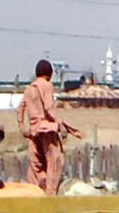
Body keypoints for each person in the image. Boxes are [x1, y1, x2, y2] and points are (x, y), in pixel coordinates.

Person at [21, 59, 82, 194]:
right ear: (49, 74)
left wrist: (22, 128)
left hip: (33, 130)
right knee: (55, 162)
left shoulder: (29, 89)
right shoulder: (46, 85)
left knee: (36, 166)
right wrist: (60, 124)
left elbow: (20, 109)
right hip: (47, 129)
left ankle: (36, 193)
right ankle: (50, 196)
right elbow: (49, 107)